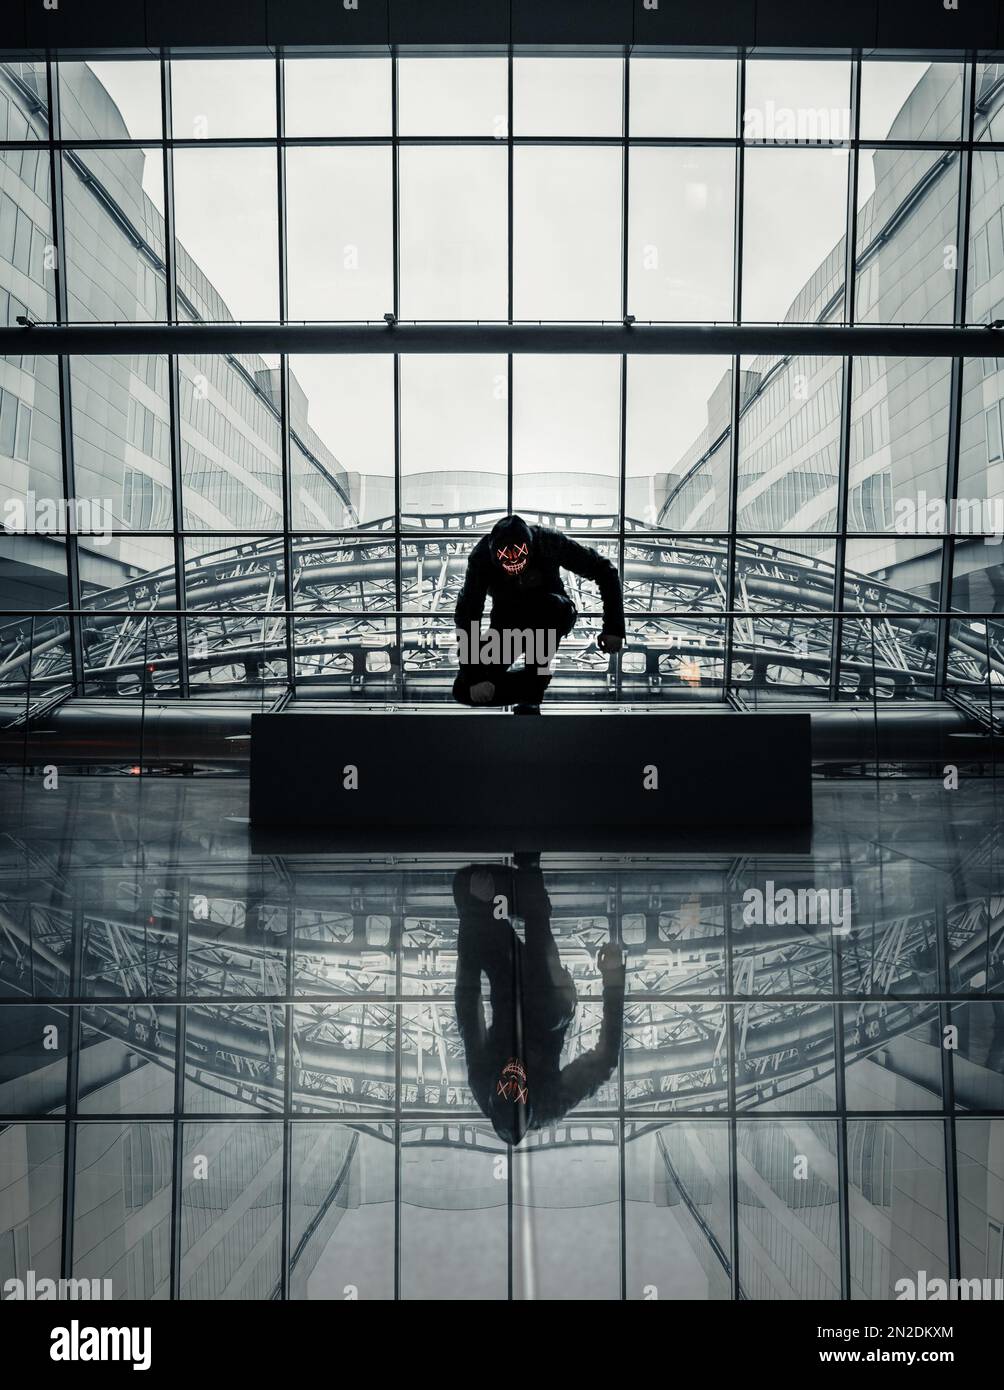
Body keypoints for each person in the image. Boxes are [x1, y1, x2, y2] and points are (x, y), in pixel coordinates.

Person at [452, 855, 626, 1145]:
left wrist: (474, 916)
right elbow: (605, 1060)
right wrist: (613, 981)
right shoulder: (549, 1105)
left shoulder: (482, 1084)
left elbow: (468, 1006)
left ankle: (514, 895)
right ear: (529, 1097)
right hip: (549, 1008)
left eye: (504, 1084)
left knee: (465, 888)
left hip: (508, 993)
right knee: (545, 994)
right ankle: (529, 880)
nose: (513, 1077)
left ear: (494, 1092)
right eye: (518, 1087)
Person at [452, 514, 625, 714]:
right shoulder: (481, 558)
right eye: (505, 556)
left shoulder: (548, 541)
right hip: (512, 625)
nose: (513, 560)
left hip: (546, 615)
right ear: (493, 553)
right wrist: (475, 678)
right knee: (463, 690)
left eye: (518, 552)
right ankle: (532, 684)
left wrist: (613, 627)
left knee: (547, 609)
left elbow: (468, 612)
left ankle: (532, 683)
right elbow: (467, 613)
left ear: (530, 546)